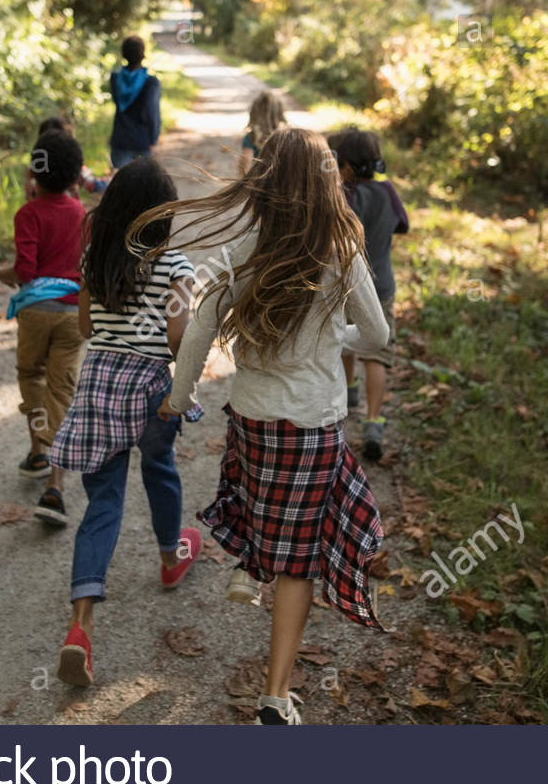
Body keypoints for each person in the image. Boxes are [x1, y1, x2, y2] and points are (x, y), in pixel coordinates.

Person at [139, 128, 389, 725]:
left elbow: (200, 326)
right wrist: (335, 340)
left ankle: (251, 569)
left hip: (252, 417)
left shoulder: (243, 245)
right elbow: (378, 336)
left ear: (266, 179)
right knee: (299, 555)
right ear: (327, 181)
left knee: (260, 499)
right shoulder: (341, 250)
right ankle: (275, 696)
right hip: (313, 422)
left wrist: (180, 395)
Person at [47, 157, 202, 688]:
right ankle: (169, 554)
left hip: (99, 383)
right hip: (152, 387)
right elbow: (181, 340)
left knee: (103, 503)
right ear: (163, 216)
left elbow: (88, 327)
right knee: (160, 467)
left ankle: (80, 626)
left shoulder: (94, 258)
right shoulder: (177, 266)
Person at [0, 129, 86, 517]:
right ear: (76, 177)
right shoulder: (82, 215)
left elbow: (24, 273)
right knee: (62, 390)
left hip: (36, 312)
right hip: (73, 314)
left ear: (33, 177)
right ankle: (55, 483)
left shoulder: (28, 215)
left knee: (31, 376)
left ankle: (38, 450)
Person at [329, 129, 409, 460]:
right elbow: (402, 225)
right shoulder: (387, 192)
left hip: (346, 285)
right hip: (382, 286)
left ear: (341, 163)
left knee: (347, 337)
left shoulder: (339, 196)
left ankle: (348, 390)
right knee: (377, 353)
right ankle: (374, 421)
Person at [24, 115, 108, 202]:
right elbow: (94, 185)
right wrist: (112, 180)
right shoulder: (72, 166)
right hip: (71, 212)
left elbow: (30, 198)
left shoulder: (35, 170)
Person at [108, 36, 161, 170]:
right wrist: (154, 139)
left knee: (120, 185)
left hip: (120, 140)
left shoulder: (115, 79)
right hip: (141, 142)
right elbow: (152, 113)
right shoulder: (151, 83)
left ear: (124, 54)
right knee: (142, 186)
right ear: (143, 55)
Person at [238, 90, 288, 178]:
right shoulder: (287, 137)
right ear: (279, 113)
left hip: (261, 185)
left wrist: (242, 181)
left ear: (254, 113)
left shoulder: (252, 137)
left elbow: (246, 163)